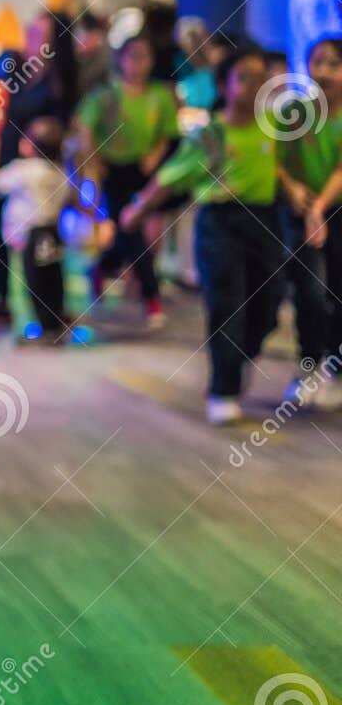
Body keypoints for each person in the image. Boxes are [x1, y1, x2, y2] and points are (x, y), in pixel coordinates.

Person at [121, 49, 282, 424]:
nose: (252, 85)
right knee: (227, 304)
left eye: (260, 77)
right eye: (243, 76)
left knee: (268, 306)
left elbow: (288, 170)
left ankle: (237, 358)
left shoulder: (276, 125)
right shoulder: (210, 135)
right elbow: (170, 177)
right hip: (220, 223)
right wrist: (137, 209)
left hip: (266, 222)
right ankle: (223, 390)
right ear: (224, 84)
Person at [0, 9, 79, 329]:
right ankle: (4, 302)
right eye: (30, 33)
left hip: (39, 174)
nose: (31, 40)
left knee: (43, 244)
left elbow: (65, 131)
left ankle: (49, 310)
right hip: (6, 160)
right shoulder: (13, 65)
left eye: (39, 35)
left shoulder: (61, 83)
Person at [76, 34, 179, 328]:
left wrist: (155, 156)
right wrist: (93, 159)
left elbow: (167, 132)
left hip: (146, 173)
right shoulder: (106, 94)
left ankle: (102, 268)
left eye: (143, 56)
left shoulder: (159, 94)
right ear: (121, 59)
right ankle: (152, 296)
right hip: (114, 171)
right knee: (131, 231)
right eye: (131, 56)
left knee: (126, 231)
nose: (137, 63)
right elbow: (85, 125)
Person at [0, 117, 109, 341]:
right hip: (53, 232)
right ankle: (56, 319)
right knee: (54, 278)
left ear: (31, 145)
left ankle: (46, 328)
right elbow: (74, 199)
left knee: (35, 282)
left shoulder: (24, 170)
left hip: (33, 235)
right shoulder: (60, 172)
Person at [278, 35, 342, 408]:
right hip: (301, 214)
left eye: (334, 64)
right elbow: (278, 161)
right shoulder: (297, 112)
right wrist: (294, 190)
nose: (324, 71)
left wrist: (321, 204)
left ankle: (334, 369)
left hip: (332, 210)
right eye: (317, 62)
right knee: (310, 293)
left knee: (337, 292)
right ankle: (306, 367)